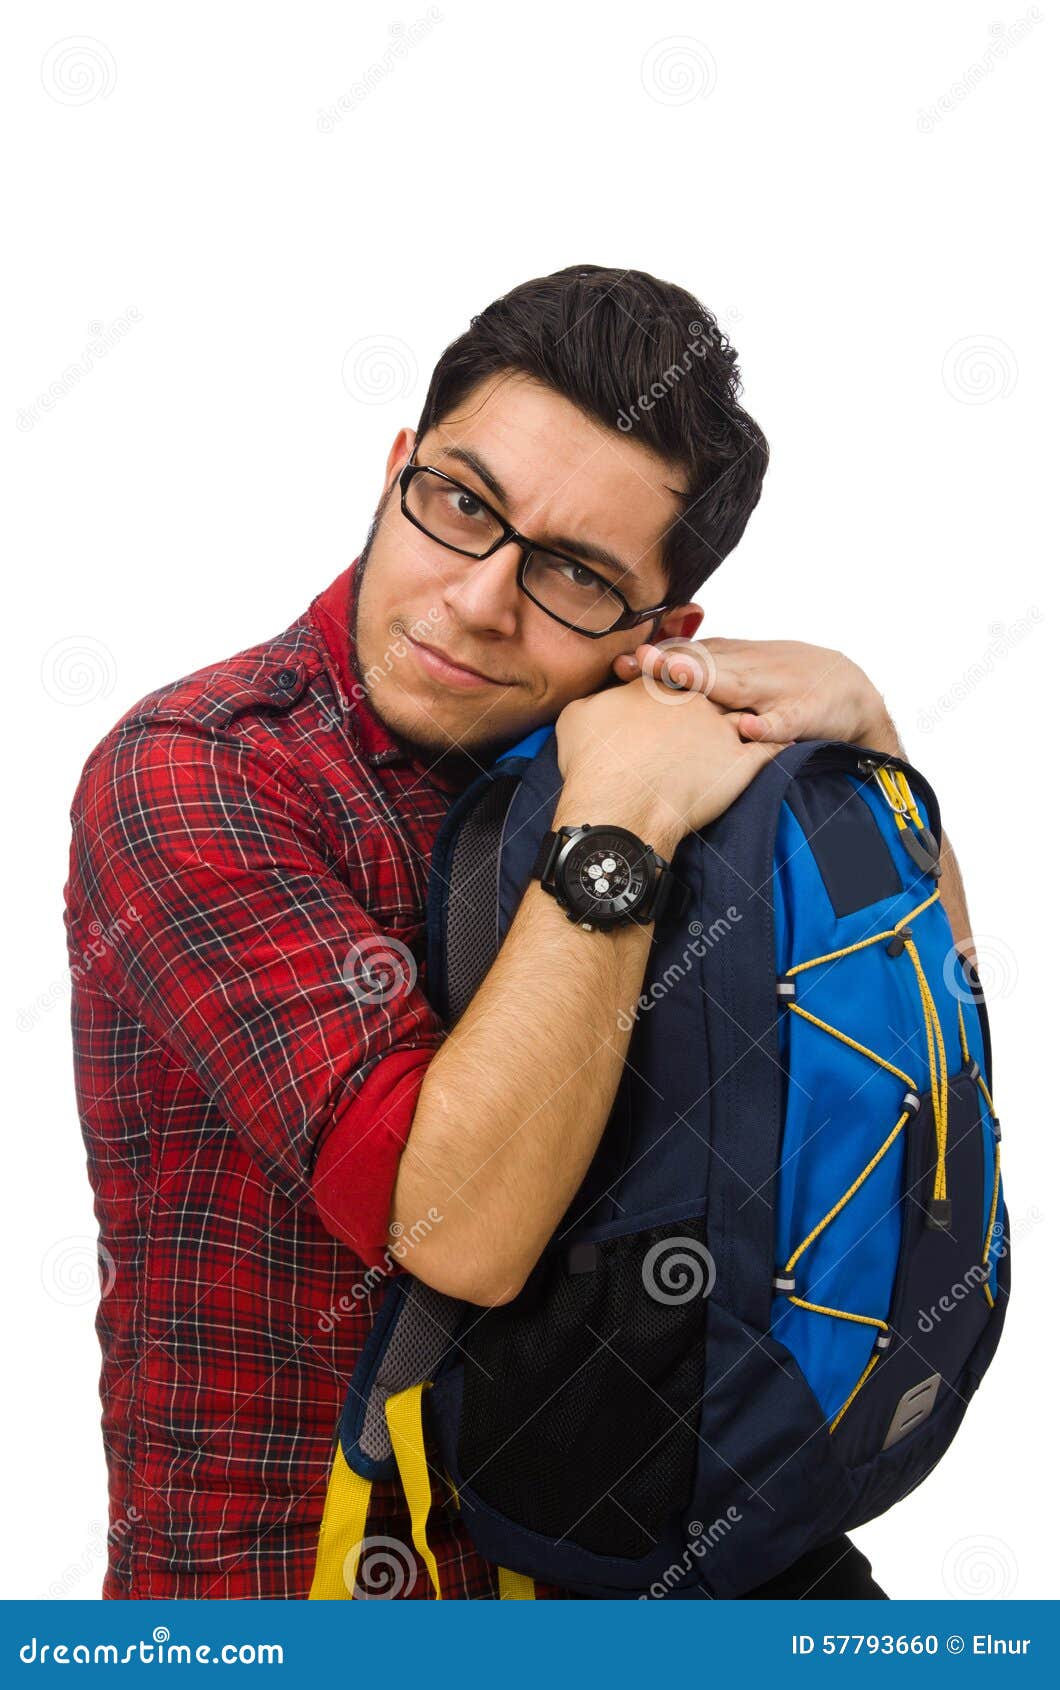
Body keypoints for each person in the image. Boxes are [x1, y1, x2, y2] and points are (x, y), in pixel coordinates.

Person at [64, 265, 972, 1599]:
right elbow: (458, 1227)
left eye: (574, 575)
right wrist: (616, 828)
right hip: (313, 1601)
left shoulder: (656, 739)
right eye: (460, 504)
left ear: (664, 628)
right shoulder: (201, 774)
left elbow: (929, 1074)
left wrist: (874, 752)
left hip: (679, 1541)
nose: (482, 599)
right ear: (394, 470)